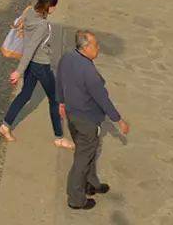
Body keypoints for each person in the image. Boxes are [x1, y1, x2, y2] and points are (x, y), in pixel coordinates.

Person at [55, 30, 127, 212]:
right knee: (82, 158)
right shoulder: (89, 72)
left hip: (72, 115)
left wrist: (61, 101)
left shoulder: (67, 58)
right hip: (87, 119)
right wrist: (118, 120)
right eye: (95, 45)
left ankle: (91, 183)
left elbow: (59, 80)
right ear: (86, 47)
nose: (98, 48)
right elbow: (102, 98)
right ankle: (76, 198)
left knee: (88, 152)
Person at [0, 0, 70, 148]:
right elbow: (31, 48)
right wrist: (18, 71)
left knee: (25, 95)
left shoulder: (30, 11)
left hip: (32, 63)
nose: (55, 9)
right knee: (55, 98)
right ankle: (59, 137)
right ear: (49, 6)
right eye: (54, 6)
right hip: (40, 64)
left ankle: (5, 125)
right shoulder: (42, 25)